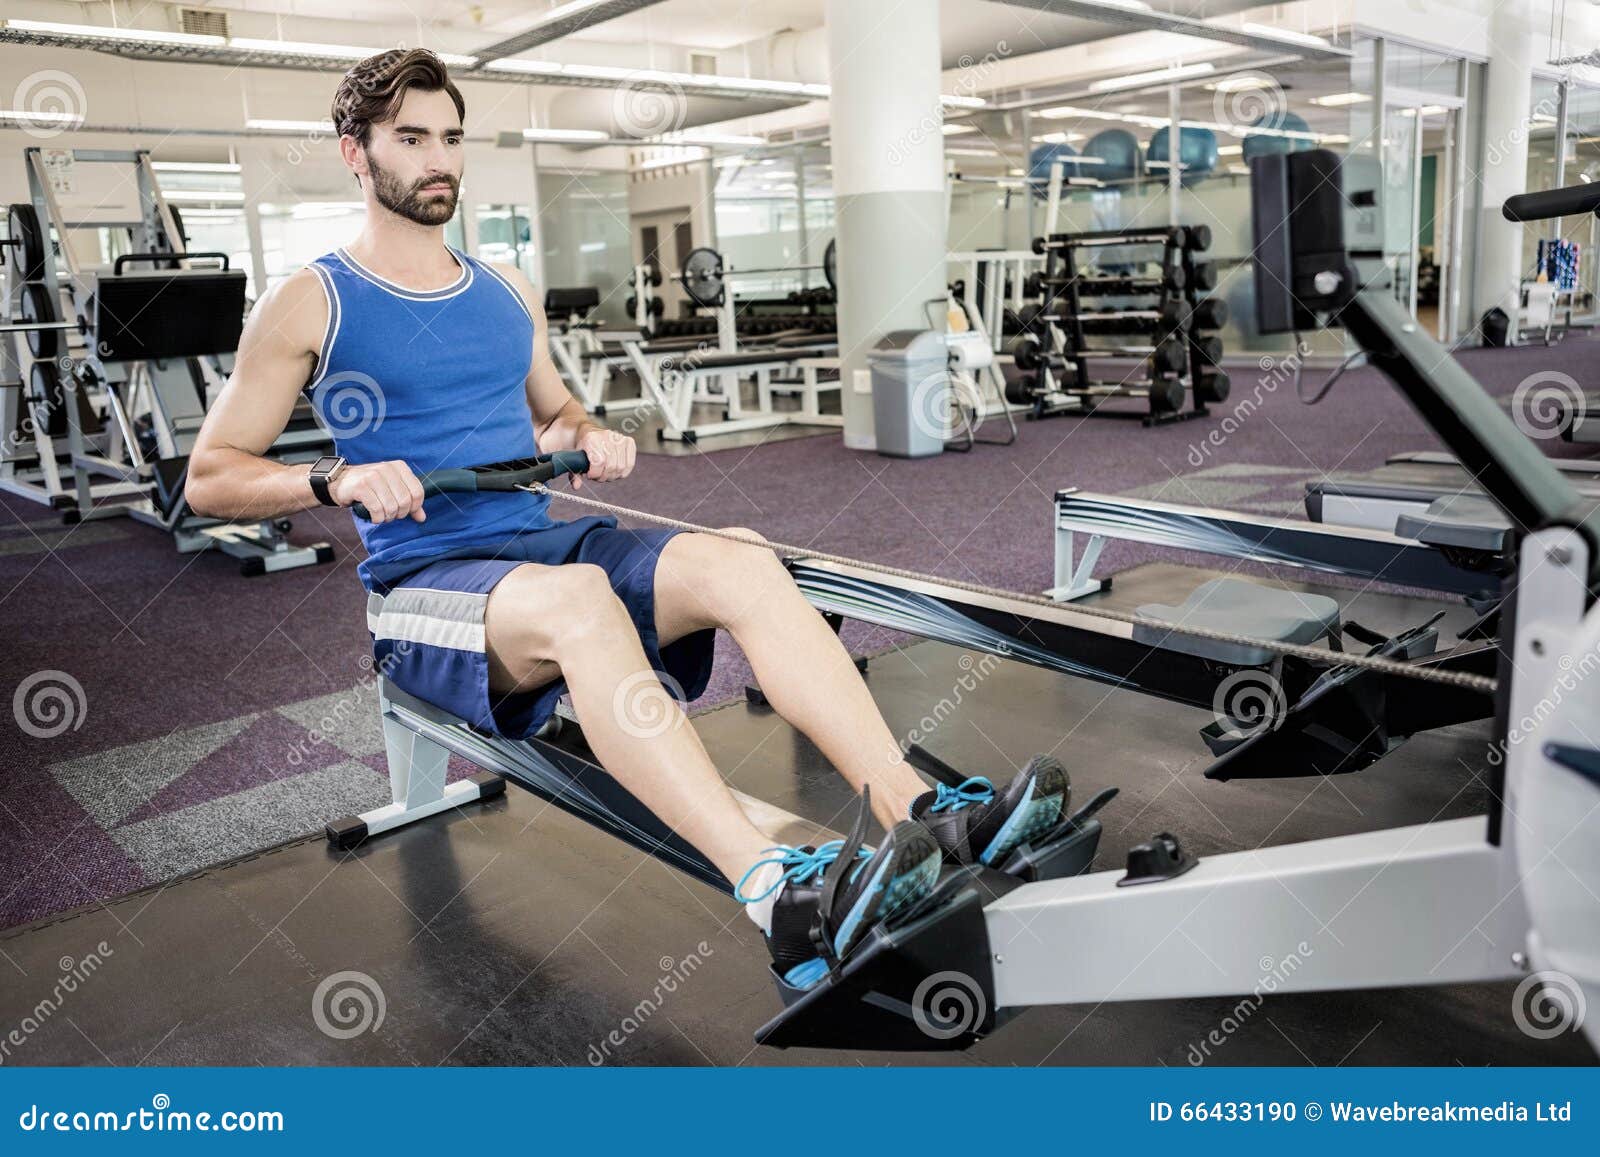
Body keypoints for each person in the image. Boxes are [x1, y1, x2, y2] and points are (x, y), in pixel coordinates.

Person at [186, 48, 1072, 987]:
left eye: (449, 136)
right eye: (410, 138)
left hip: (543, 546)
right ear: (355, 155)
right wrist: (338, 479)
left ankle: (917, 806)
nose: (439, 157)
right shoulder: (310, 300)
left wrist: (590, 431)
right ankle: (774, 892)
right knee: (577, 601)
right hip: (427, 588)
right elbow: (210, 477)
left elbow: (556, 411)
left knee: (740, 554)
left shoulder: (502, 291)